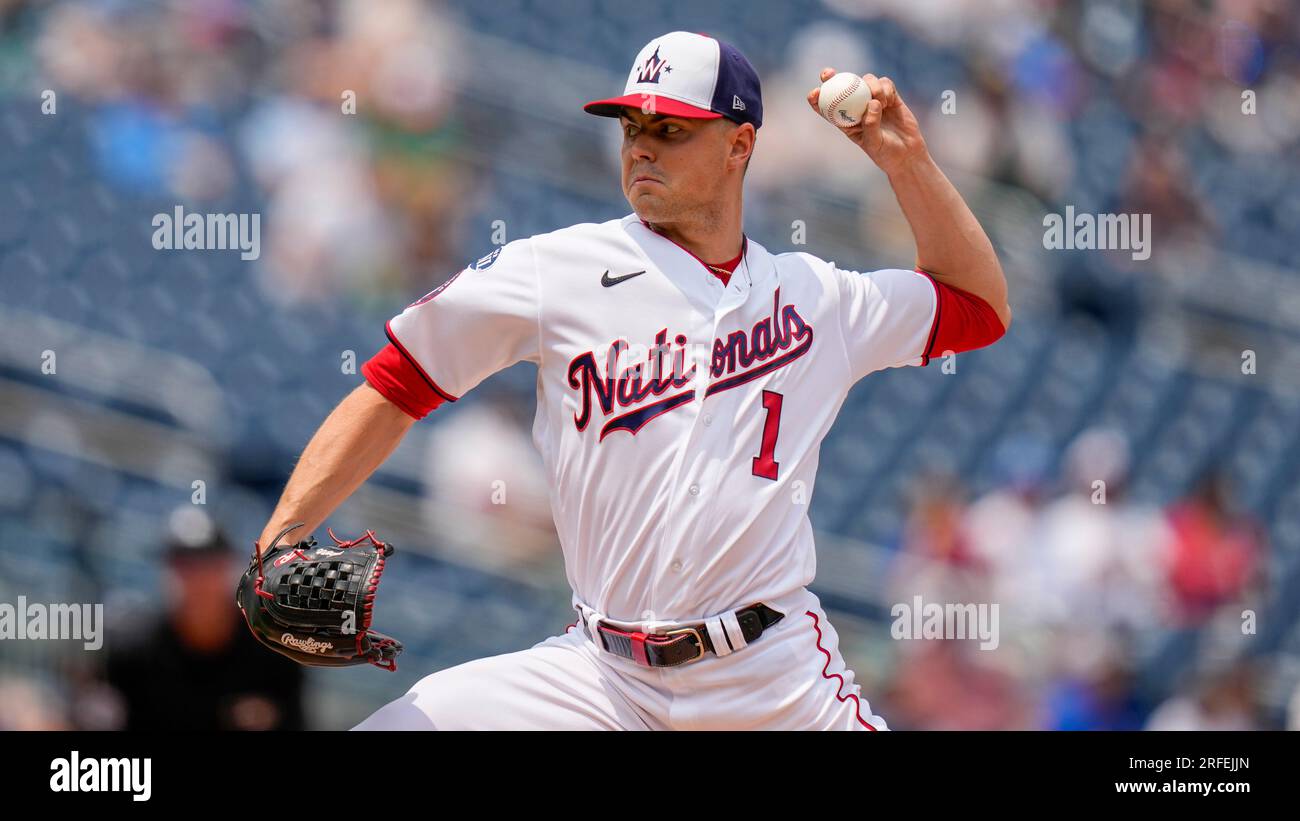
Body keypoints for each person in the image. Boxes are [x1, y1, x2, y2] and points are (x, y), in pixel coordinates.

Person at [253, 31, 1010, 730]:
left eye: (670, 130)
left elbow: (978, 307)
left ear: (740, 145)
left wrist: (906, 160)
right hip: (597, 679)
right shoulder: (555, 272)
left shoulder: (817, 298)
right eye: (632, 128)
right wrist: (282, 534)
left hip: (772, 683)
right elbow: (395, 385)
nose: (642, 148)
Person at [100, 508, 305, 731]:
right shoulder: (134, 648)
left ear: (229, 567)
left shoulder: (272, 646)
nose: (198, 579)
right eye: (186, 566)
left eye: (209, 564)